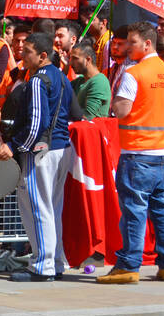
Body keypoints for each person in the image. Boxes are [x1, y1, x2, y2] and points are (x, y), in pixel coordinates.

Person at [100, 21, 164, 284]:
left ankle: (128, 266)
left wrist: (113, 98)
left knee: (134, 210)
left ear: (146, 43)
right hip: (163, 152)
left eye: (132, 42)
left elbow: (121, 110)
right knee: (162, 209)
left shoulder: (135, 73)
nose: (127, 47)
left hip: (138, 152)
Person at [8, 33, 74, 282]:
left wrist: (15, 147)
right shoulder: (62, 77)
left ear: (42, 56)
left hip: (41, 152)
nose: (22, 56)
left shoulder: (37, 80)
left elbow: (37, 123)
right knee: (52, 208)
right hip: (60, 148)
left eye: (27, 52)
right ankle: (54, 262)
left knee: (38, 208)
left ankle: (42, 265)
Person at [69, 41, 111, 119]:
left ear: (88, 59)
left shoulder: (99, 81)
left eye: (75, 58)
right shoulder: (79, 81)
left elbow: (88, 115)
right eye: (70, 58)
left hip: (92, 130)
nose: (71, 63)